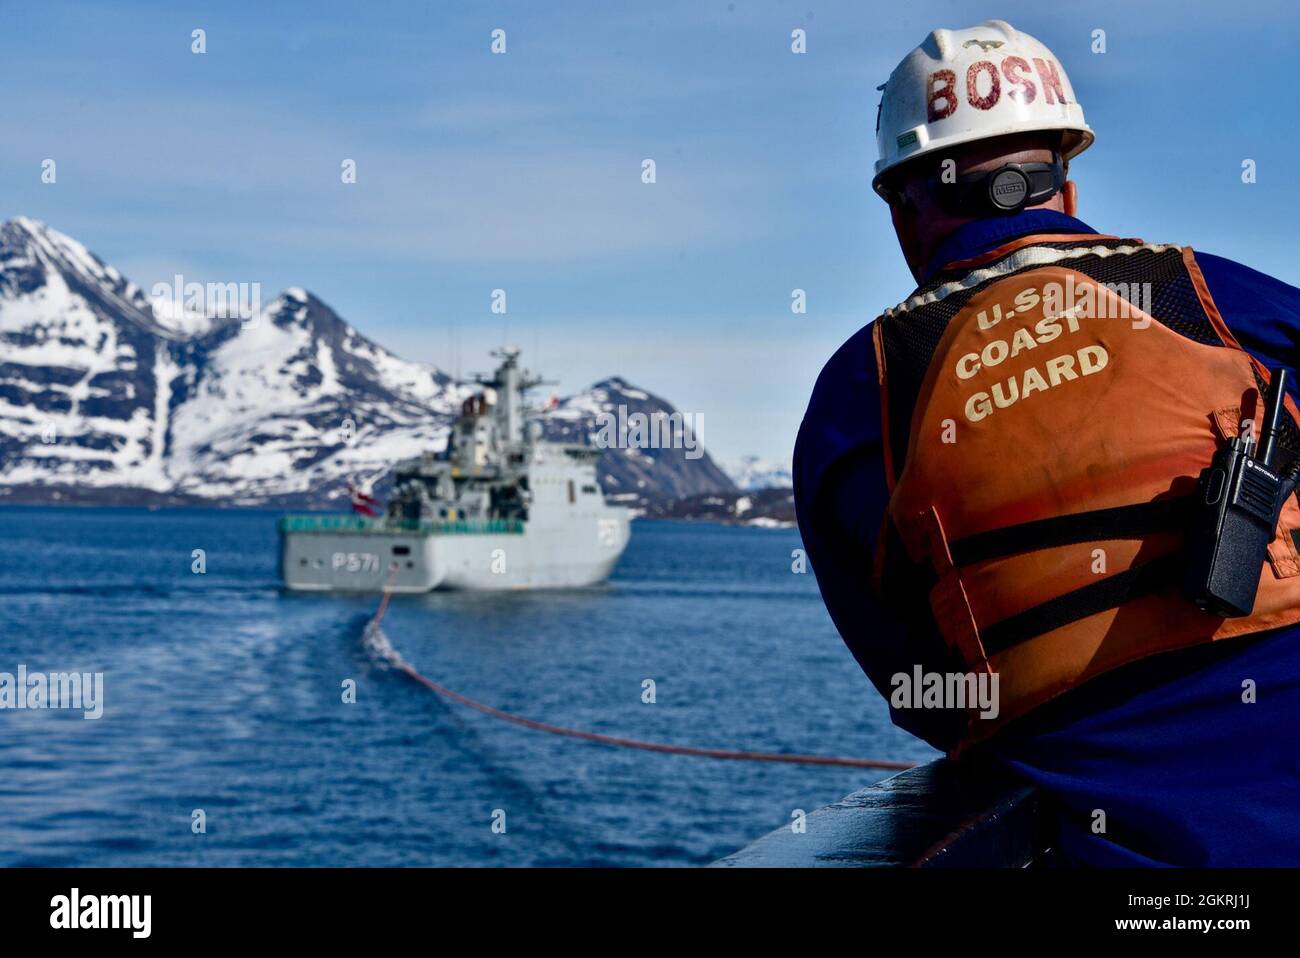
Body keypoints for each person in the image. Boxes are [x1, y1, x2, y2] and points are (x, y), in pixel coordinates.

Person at [794, 19, 1300, 866]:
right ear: (1065, 180)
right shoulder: (1220, 297)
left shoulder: (863, 394)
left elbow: (921, 691)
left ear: (901, 207)